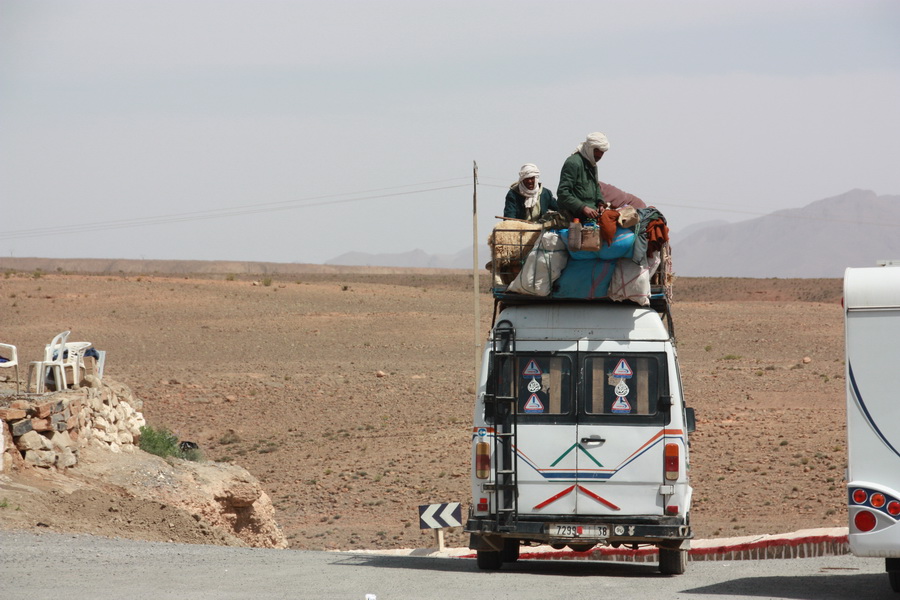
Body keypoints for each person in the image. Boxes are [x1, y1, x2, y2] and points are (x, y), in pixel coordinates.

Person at [557, 132, 646, 222]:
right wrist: (583, 208)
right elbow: (562, 193)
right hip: (573, 216)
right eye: (596, 151)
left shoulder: (592, 164)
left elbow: (596, 188)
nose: (599, 155)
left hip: (591, 215)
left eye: (602, 152)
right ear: (589, 148)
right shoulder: (573, 163)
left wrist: (600, 203)